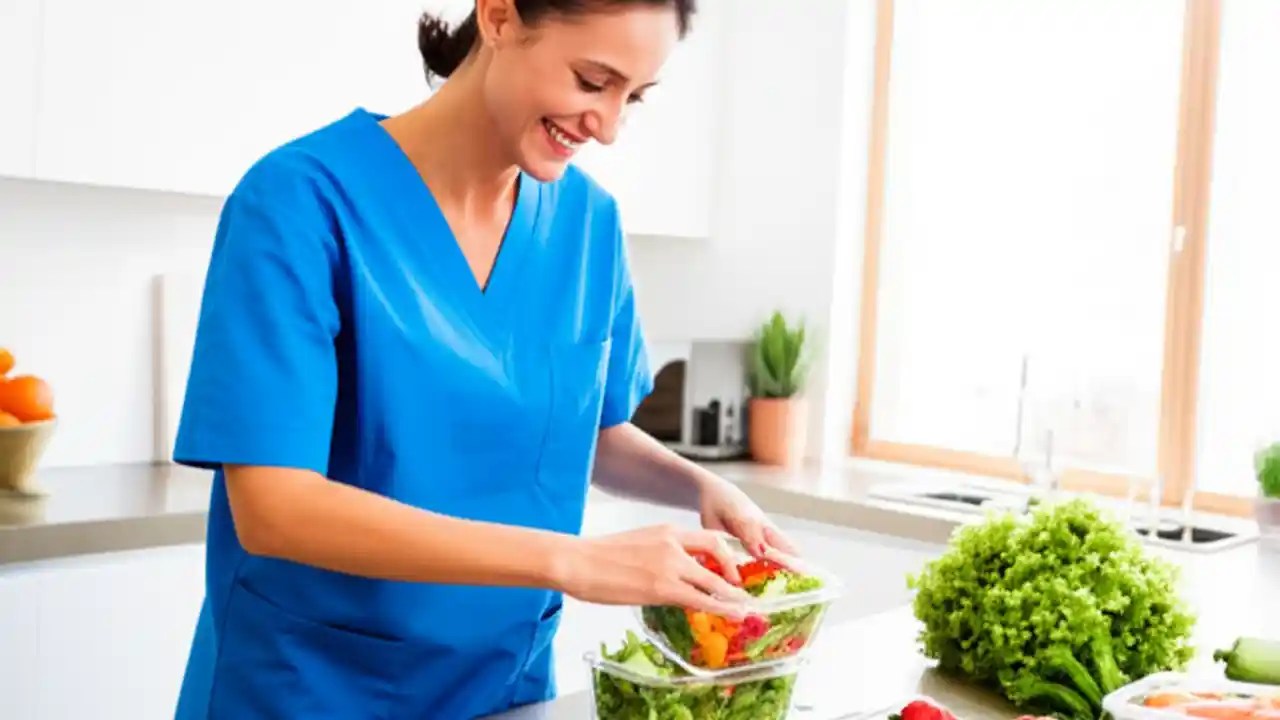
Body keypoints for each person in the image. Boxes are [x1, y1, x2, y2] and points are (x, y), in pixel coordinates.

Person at [170, 1, 799, 718]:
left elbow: (587, 431)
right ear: (499, 16)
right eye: (593, 81)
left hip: (500, 691)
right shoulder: (299, 202)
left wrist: (700, 488)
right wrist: (575, 559)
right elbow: (275, 510)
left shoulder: (589, 225)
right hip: (313, 688)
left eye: (634, 96)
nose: (610, 127)